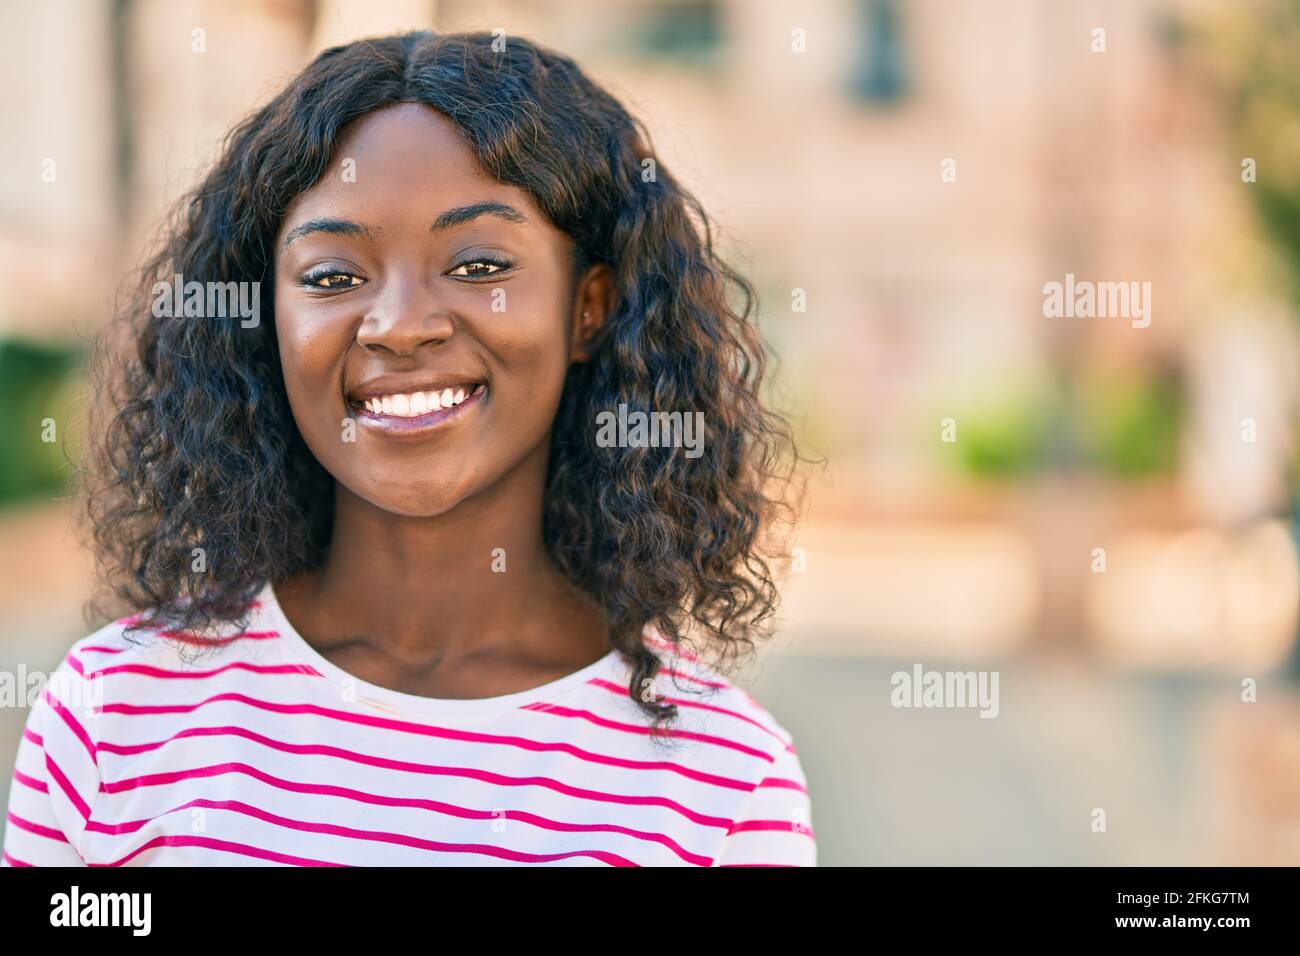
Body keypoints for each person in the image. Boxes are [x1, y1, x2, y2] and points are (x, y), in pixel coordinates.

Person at [2, 30, 813, 867]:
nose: (398, 325)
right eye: (330, 276)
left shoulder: (724, 786)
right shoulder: (112, 719)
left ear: (589, 307)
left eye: (477, 264)